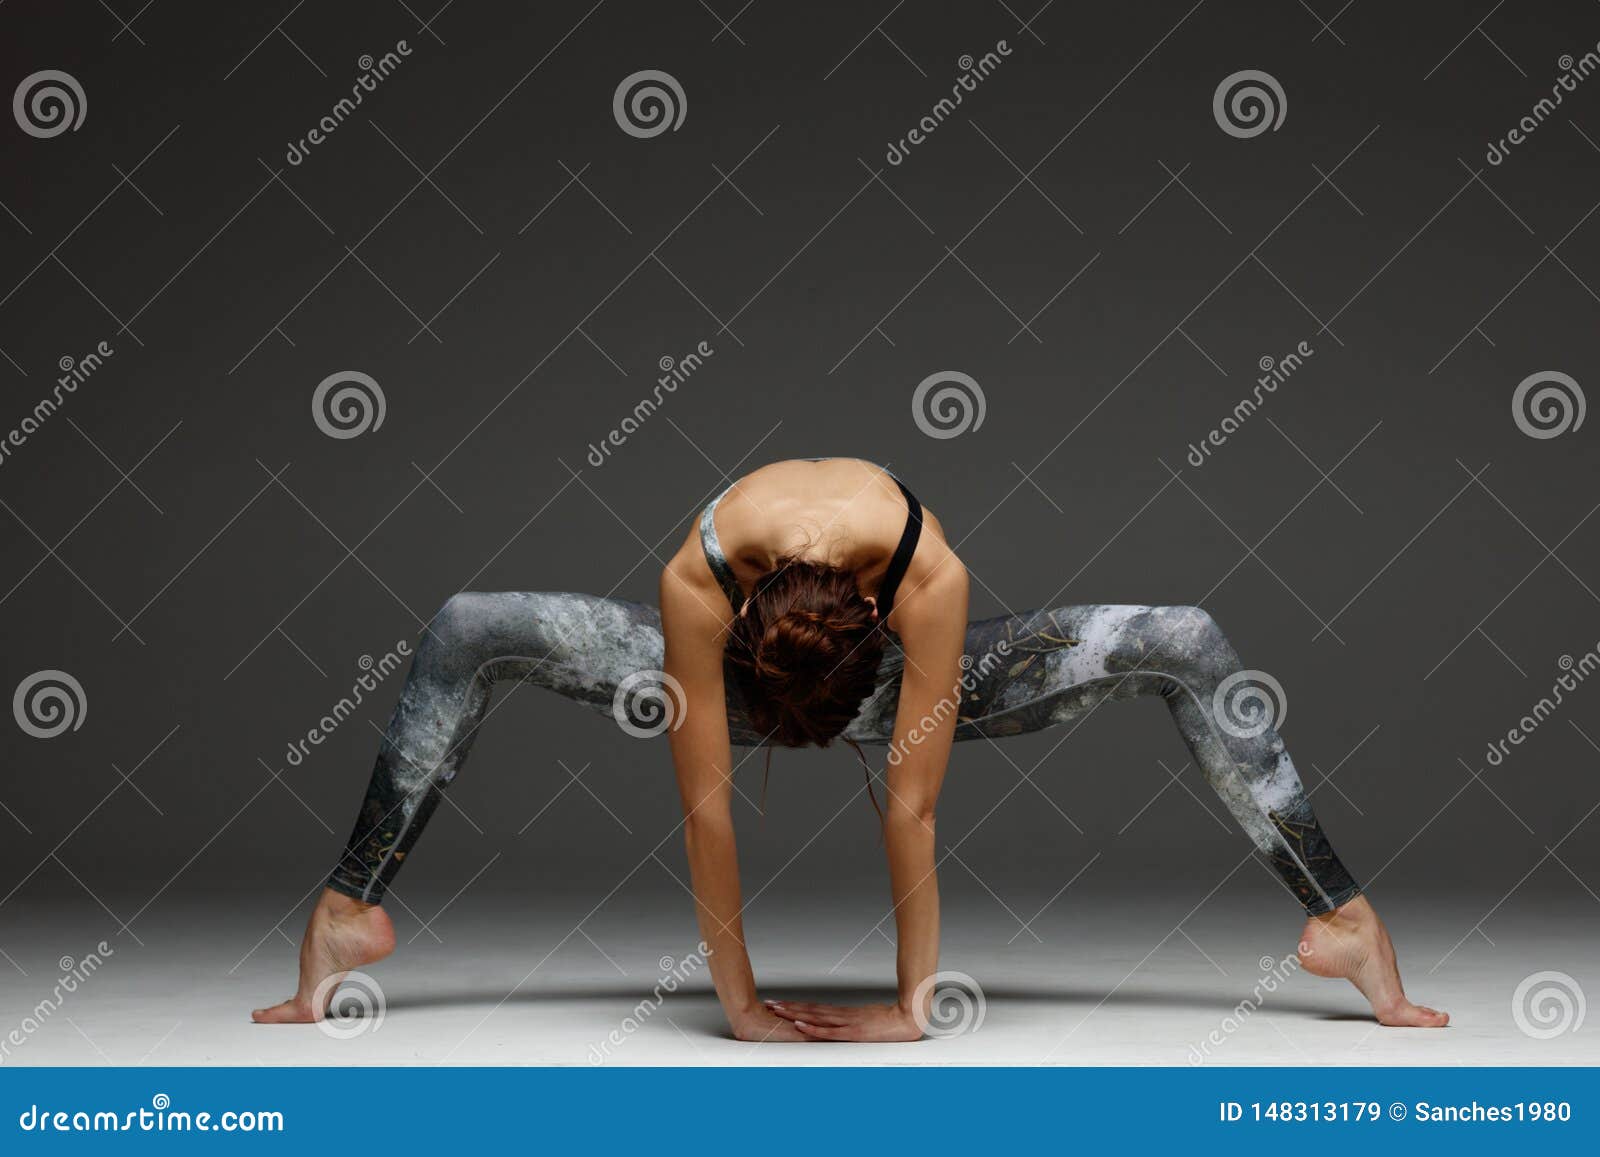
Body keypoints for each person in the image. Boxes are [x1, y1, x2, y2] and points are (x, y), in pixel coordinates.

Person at [252, 457, 1448, 1038]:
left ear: (879, 628)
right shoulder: (698, 580)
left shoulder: (926, 579)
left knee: (1181, 636)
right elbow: (709, 808)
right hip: (746, 668)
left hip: (889, 668)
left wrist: (912, 1010)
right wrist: (742, 1007)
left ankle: (1341, 918)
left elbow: (910, 808)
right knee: (468, 629)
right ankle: (348, 908)